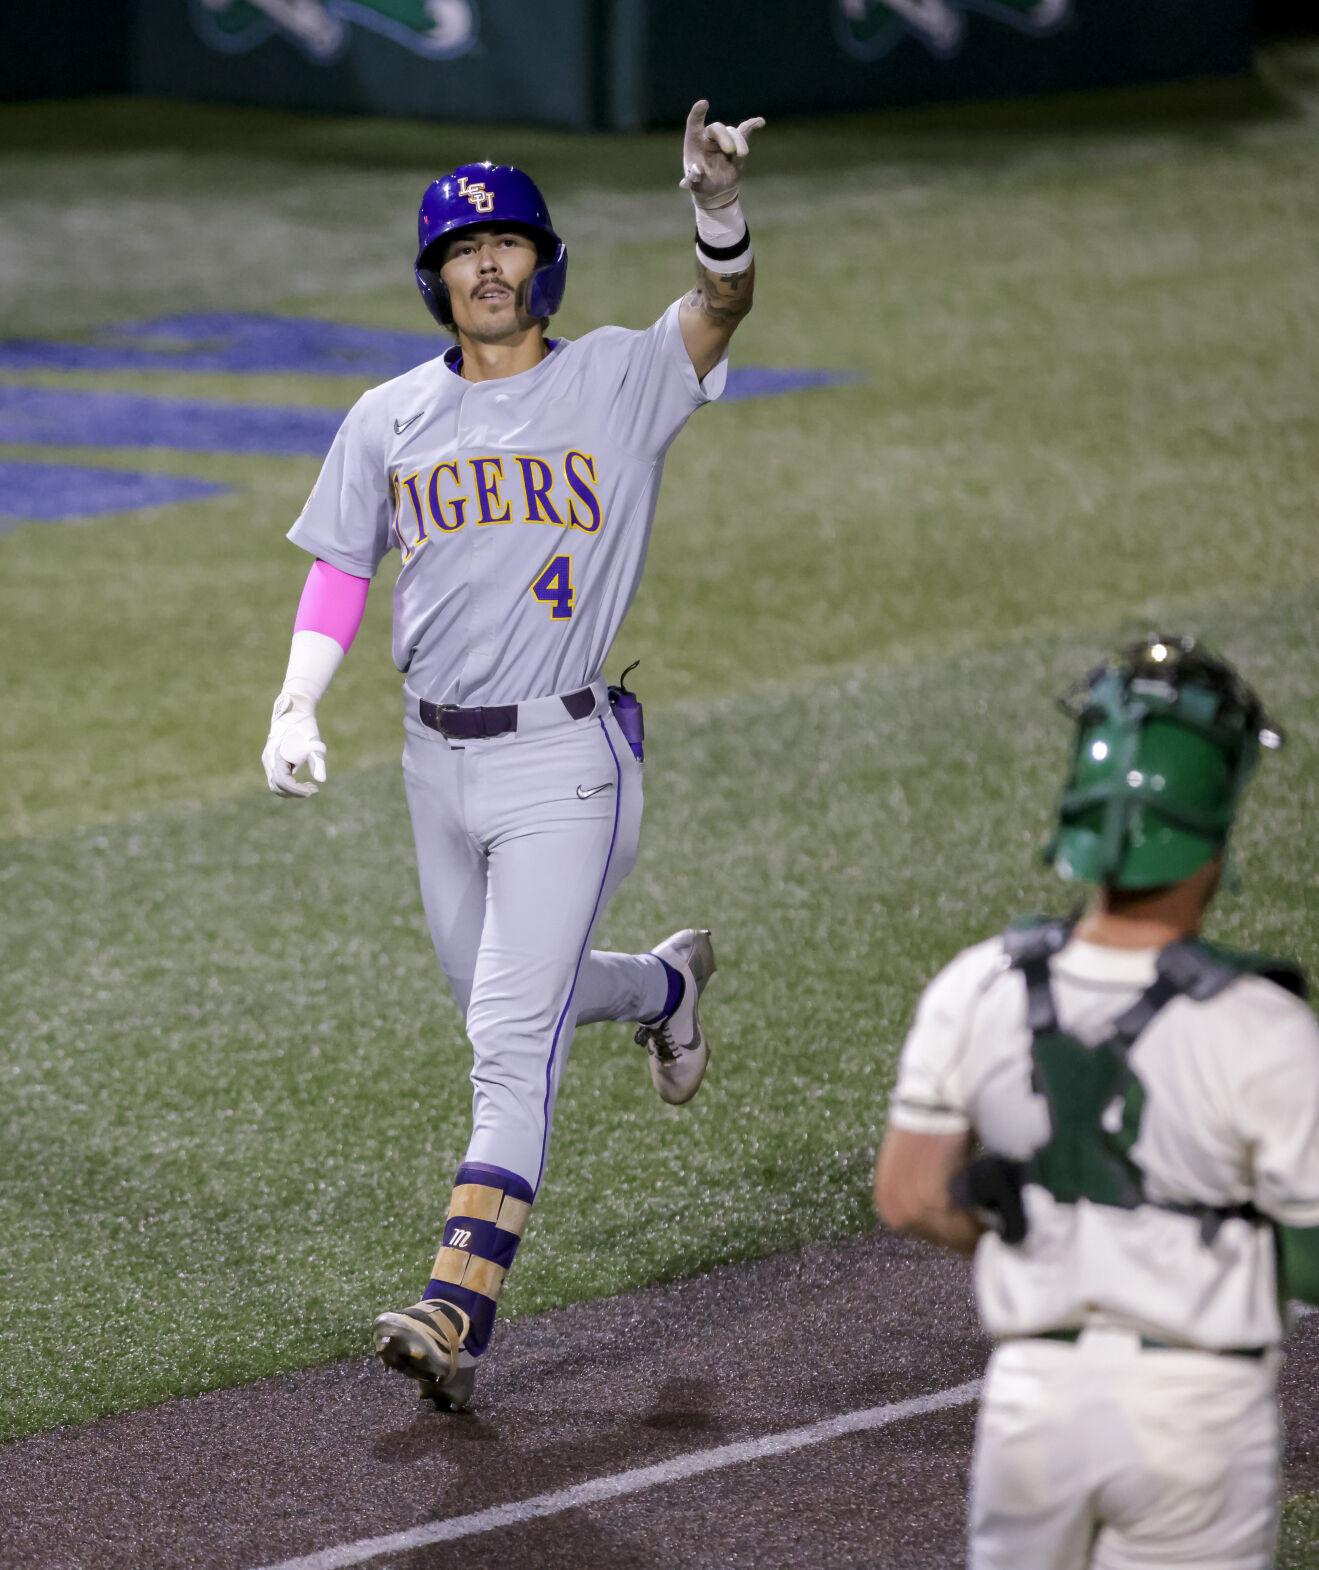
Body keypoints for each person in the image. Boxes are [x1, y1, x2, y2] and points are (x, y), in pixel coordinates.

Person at [258, 102, 764, 1412]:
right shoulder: (388, 414)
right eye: (460, 250)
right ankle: (660, 986)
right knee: (496, 995)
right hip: (432, 765)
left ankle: (455, 1303)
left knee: (504, 1035)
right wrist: (296, 702)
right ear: (432, 278)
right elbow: (340, 562)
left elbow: (720, 305)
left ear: (544, 261)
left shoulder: (616, 378)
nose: (484, 265)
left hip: (564, 760)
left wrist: (713, 205)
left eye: (505, 243)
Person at [874, 634, 1319, 1570]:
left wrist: (1048, 1239)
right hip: (1195, 1416)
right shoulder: (1262, 1027)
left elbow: (908, 1195)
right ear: (1216, 832)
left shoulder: (976, 985)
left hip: (1031, 1408)